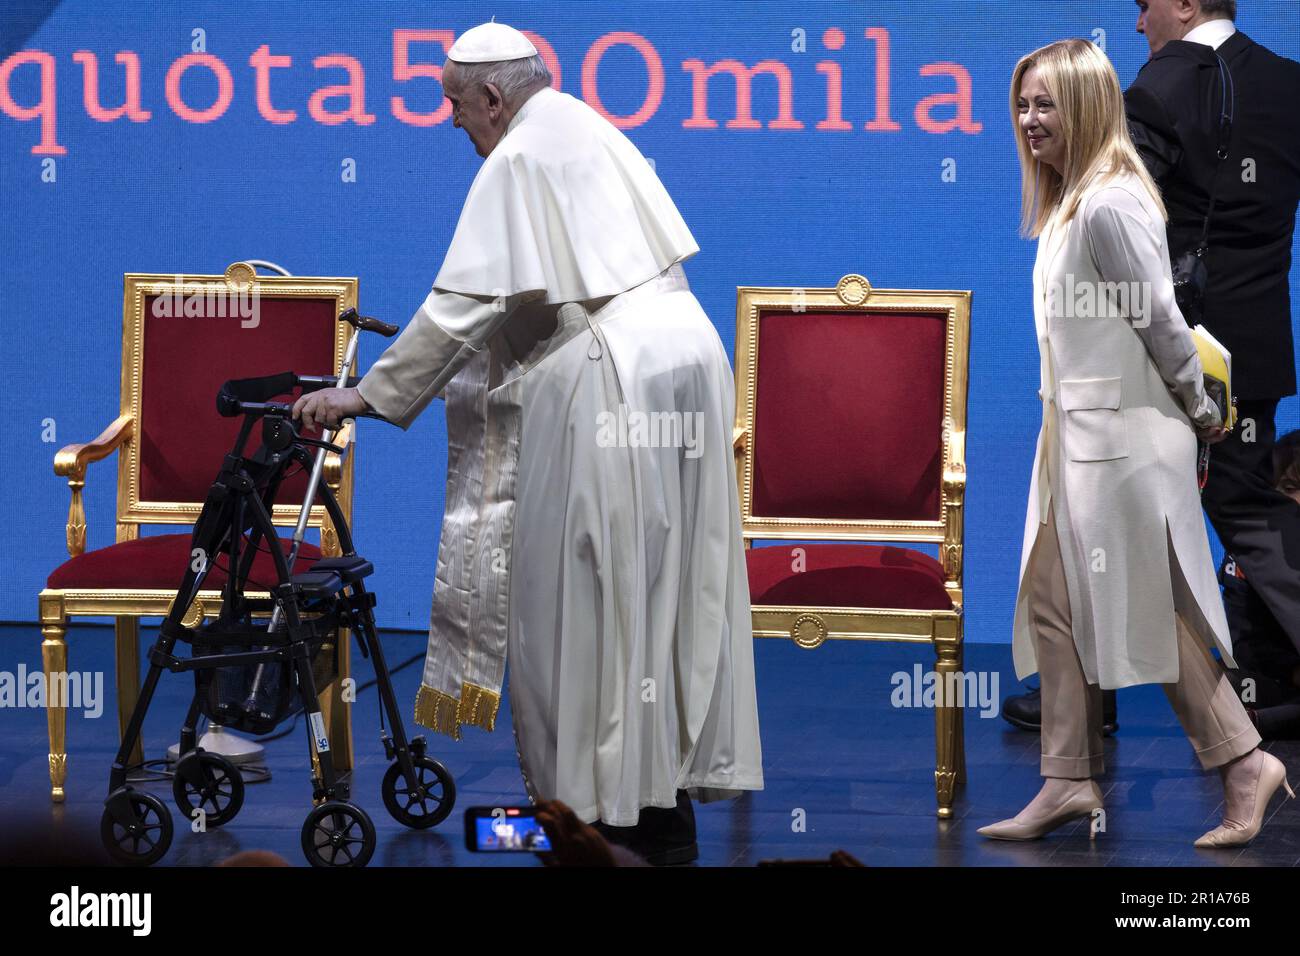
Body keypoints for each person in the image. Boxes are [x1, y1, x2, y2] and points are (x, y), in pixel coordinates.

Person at [293, 21, 763, 866]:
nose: (450, 120)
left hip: (610, 369)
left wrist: (364, 393)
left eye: (452, 102)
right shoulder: (589, 126)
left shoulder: (516, 156)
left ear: (493, 97)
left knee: (579, 601)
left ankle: (596, 816)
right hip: (688, 355)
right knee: (663, 590)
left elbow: (462, 307)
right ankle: (661, 808)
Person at [979, 38, 1291, 847]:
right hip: (1074, 440)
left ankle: (1245, 760)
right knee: (1051, 606)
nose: (1029, 119)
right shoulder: (1071, 200)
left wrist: (1202, 409)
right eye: (1022, 104)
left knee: (1158, 612)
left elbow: (1160, 321)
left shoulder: (1112, 202)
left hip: (1125, 446)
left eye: (1045, 103)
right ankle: (1068, 777)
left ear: (1084, 106)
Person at [1222, 431, 1300, 739]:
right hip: (1263, 678)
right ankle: (1252, 723)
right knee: (1232, 684)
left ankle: (1251, 725)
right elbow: (1245, 639)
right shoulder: (1254, 550)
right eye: (1290, 488)